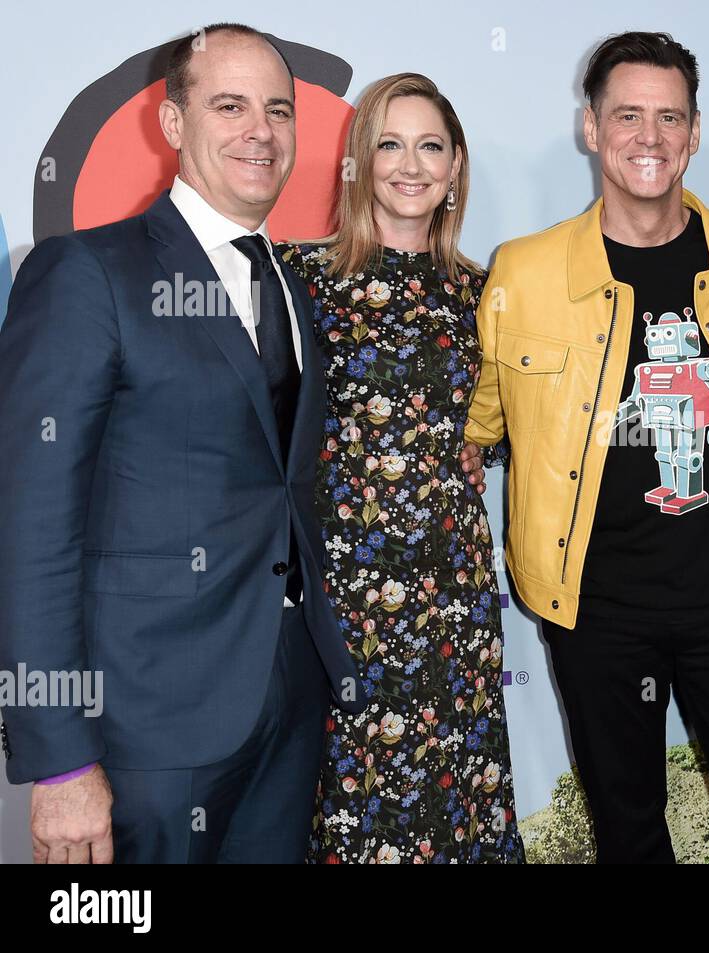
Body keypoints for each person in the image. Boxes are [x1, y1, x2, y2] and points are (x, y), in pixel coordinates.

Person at [0, 23, 367, 863]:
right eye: (229, 104)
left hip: (289, 696)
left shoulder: (289, 284)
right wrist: (59, 759)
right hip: (145, 726)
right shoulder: (87, 273)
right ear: (172, 124)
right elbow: (30, 527)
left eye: (278, 109)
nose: (260, 131)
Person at [463, 32, 709, 863]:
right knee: (629, 832)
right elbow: (477, 426)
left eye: (669, 117)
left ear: (695, 132)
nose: (648, 137)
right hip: (595, 608)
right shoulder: (524, 270)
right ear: (591, 127)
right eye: (627, 115)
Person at [279, 73, 523, 864]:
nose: (409, 164)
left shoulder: (489, 297)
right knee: (350, 812)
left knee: (460, 801)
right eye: (390, 142)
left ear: (455, 167)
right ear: (359, 161)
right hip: (343, 605)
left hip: (455, 598)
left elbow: (532, 433)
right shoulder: (302, 281)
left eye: (430, 146)